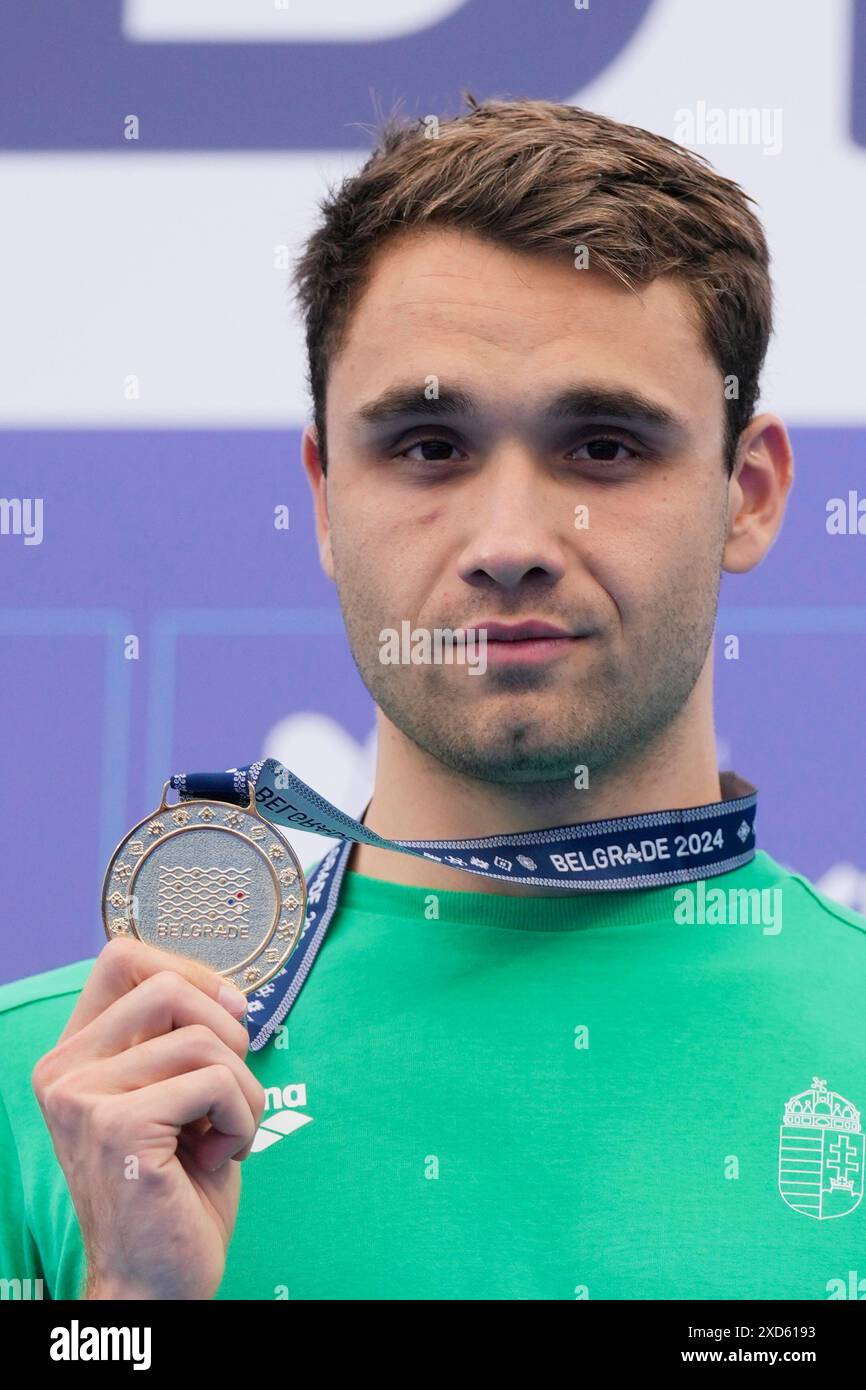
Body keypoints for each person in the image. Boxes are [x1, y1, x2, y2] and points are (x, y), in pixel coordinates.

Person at [1, 97, 864, 1302]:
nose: (509, 539)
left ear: (750, 492)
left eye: (603, 446)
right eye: (426, 444)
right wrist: (132, 1316)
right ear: (320, 492)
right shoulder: (49, 1092)